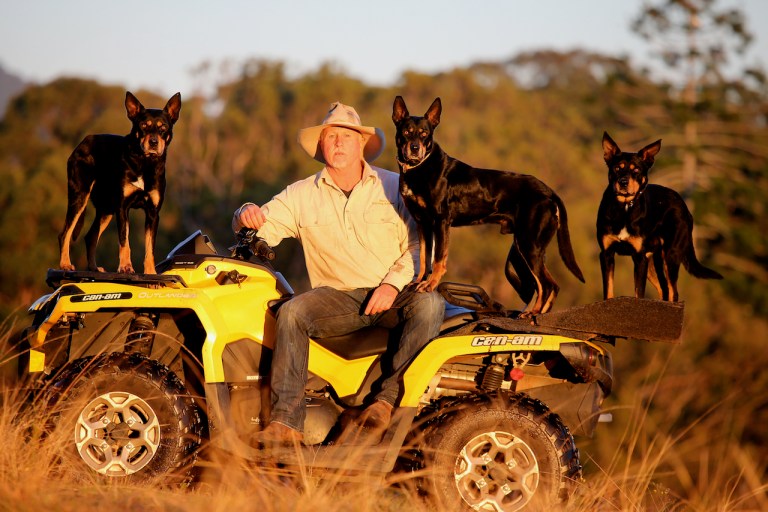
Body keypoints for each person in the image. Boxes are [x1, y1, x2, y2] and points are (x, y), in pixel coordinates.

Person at [232, 101, 444, 444]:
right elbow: (257, 226)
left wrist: (391, 285)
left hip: (395, 292)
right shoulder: (301, 194)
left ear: (362, 143)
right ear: (321, 145)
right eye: (331, 136)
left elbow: (421, 244)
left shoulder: (397, 185)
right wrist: (244, 212)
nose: (339, 143)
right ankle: (286, 424)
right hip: (339, 297)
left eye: (347, 136)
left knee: (430, 304)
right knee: (292, 312)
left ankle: (385, 402)